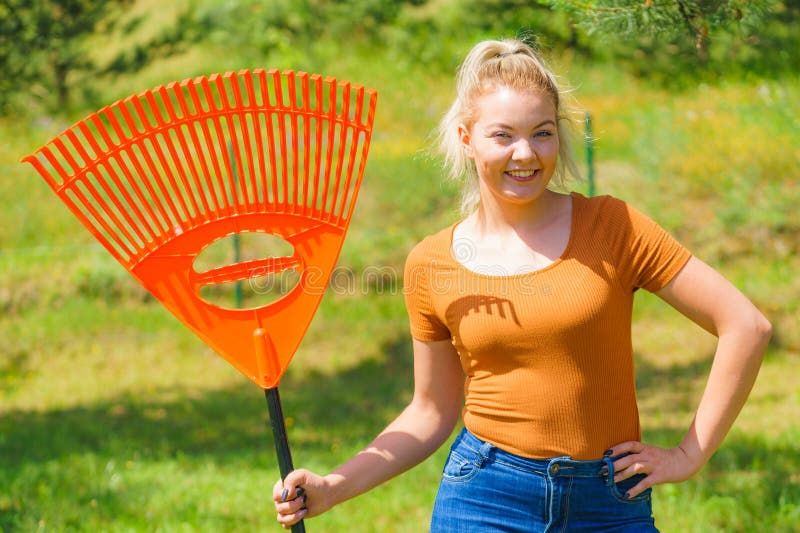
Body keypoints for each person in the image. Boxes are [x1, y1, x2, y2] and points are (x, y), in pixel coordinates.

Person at [272, 37, 771, 532]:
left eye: (543, 132)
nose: (525, 153)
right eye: (503, 135)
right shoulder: (431, 263)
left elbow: (745, 325)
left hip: (609, 502)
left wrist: (688, 454)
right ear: (467, 139)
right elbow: (429, 411)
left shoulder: (612, 226)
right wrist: (334, 487)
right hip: (486, 498)